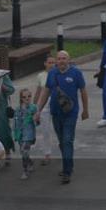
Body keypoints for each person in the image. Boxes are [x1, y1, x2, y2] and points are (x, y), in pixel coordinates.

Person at [35, 50, 89, 184]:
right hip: (55, 113)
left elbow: (83, 91)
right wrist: (38, 110)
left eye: (64, 58)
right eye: (59, 59)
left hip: (71, 113)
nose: (61, 61)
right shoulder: (52, 73)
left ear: (69, 60)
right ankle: (68, 164)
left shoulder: (76, 73)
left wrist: (85, 110)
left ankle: (67, 171)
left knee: (67, 140)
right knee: (62, 141)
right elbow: (46, 91)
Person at [11, 89, 38, 180]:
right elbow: (15, 123)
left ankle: (25, 171)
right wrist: (15, 135)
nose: (27, 98)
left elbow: (37, 122)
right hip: (20, 135)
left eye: (29, 96)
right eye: (24, 97)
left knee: (24, 151)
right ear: (21, 98)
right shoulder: (17, 109)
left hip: (29, 134)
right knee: (23, 152)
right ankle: (30, 162)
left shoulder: (34, 107)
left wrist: (35, 119)